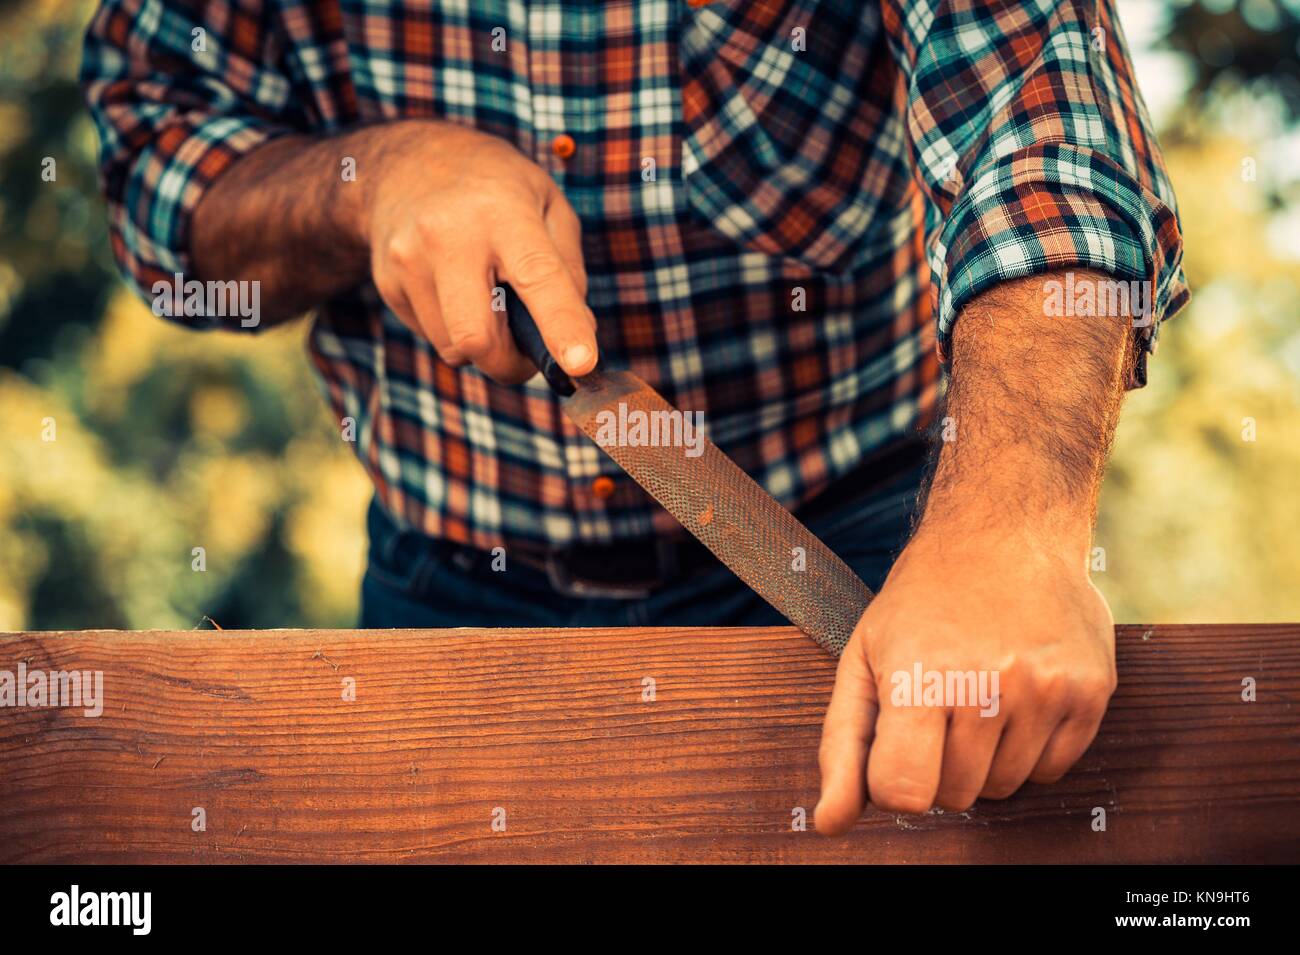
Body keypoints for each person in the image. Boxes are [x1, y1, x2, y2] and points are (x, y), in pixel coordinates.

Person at [80, 0, 1187, 829]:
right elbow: (154, 171)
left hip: (870, 577)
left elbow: (1046, 134)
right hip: (449, 588)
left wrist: (1008, 529)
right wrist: (371, 178)